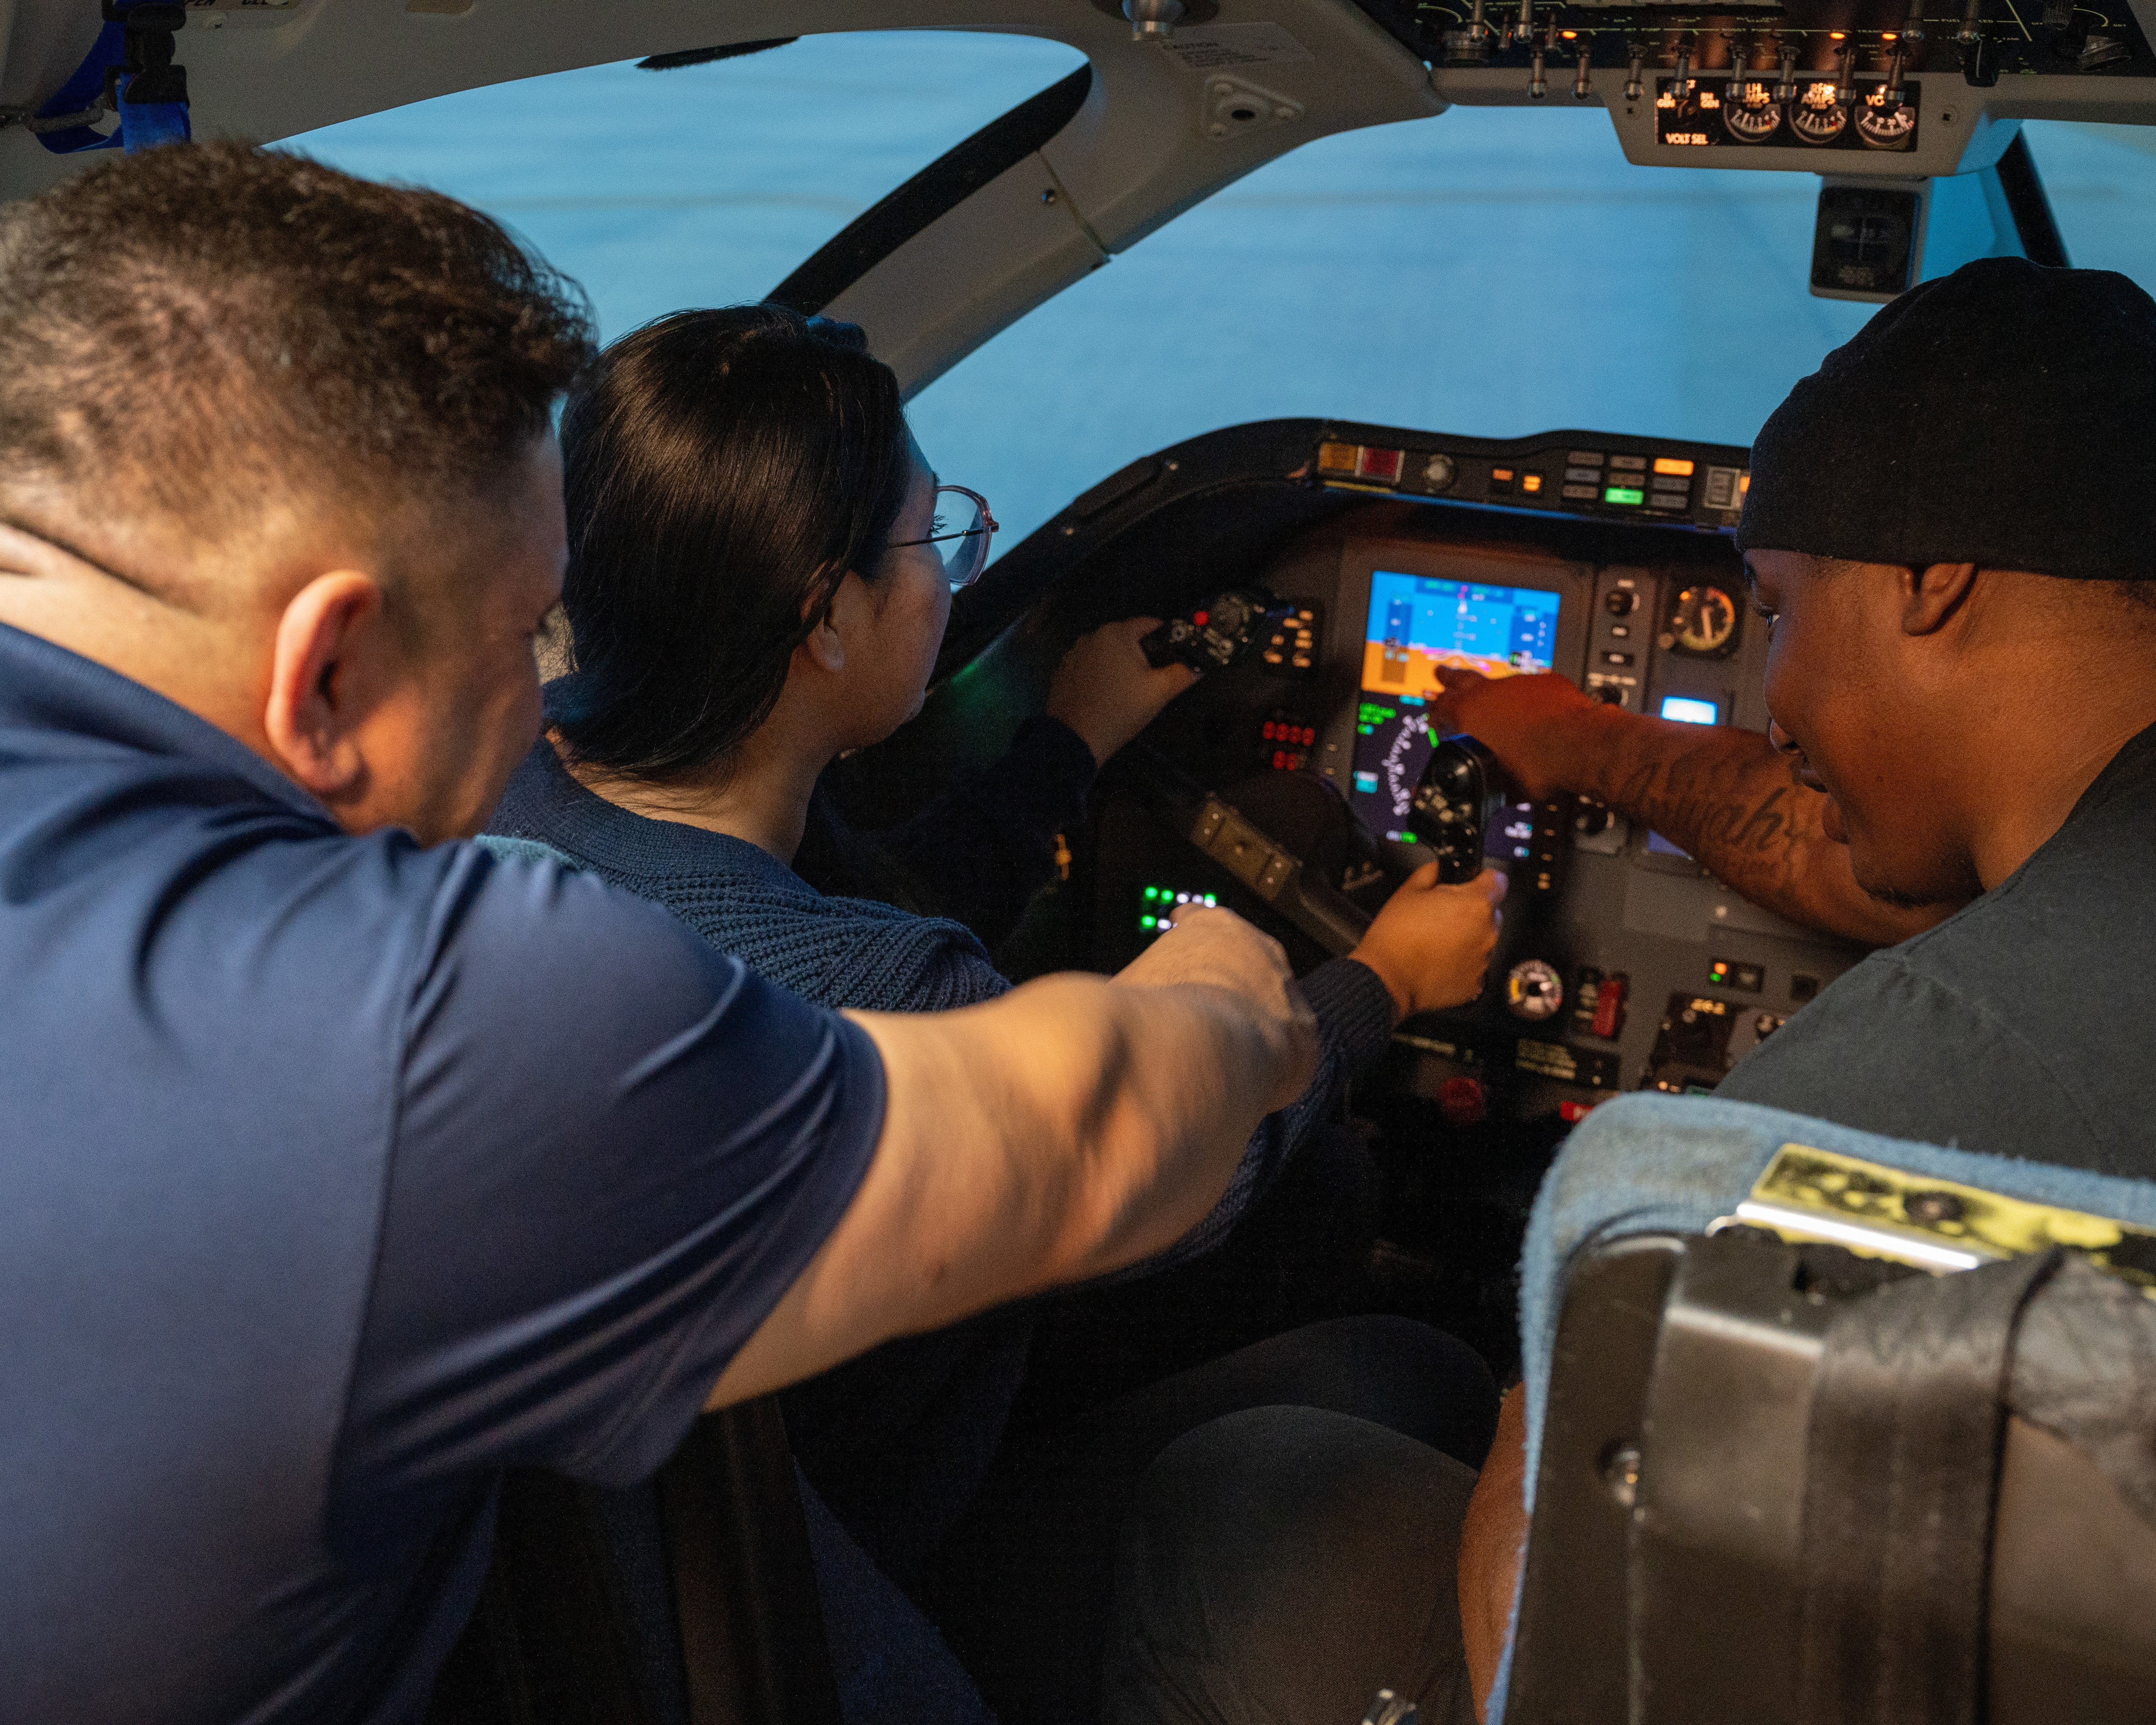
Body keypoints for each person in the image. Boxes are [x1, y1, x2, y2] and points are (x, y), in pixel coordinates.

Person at [0, 142, 1328, 1725]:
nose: (535, 721)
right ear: (330, 669)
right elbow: (1094, 1133)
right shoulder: (418, 1028)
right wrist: (1249, 995)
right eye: (514, 641)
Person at [1113, 256, 2156, 1725]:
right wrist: (1597, 746)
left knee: (1251, 1488)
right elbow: (1870, 860)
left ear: (1935, 584)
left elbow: (1560, 1616)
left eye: (1779, 612)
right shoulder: (2079, 848)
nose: (1774, 700)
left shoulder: (1929, 1069)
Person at [485, 306, 1511, 1725]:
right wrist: (1382, 984)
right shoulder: (894, 997)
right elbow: (1184, 1171)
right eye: (931, 538)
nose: (955, 571)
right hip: (863, 1565)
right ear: (827, 618)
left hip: (662, 1563)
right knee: (1407, 1364)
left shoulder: (507, 797)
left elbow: (849, 909)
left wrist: (1066, 747)